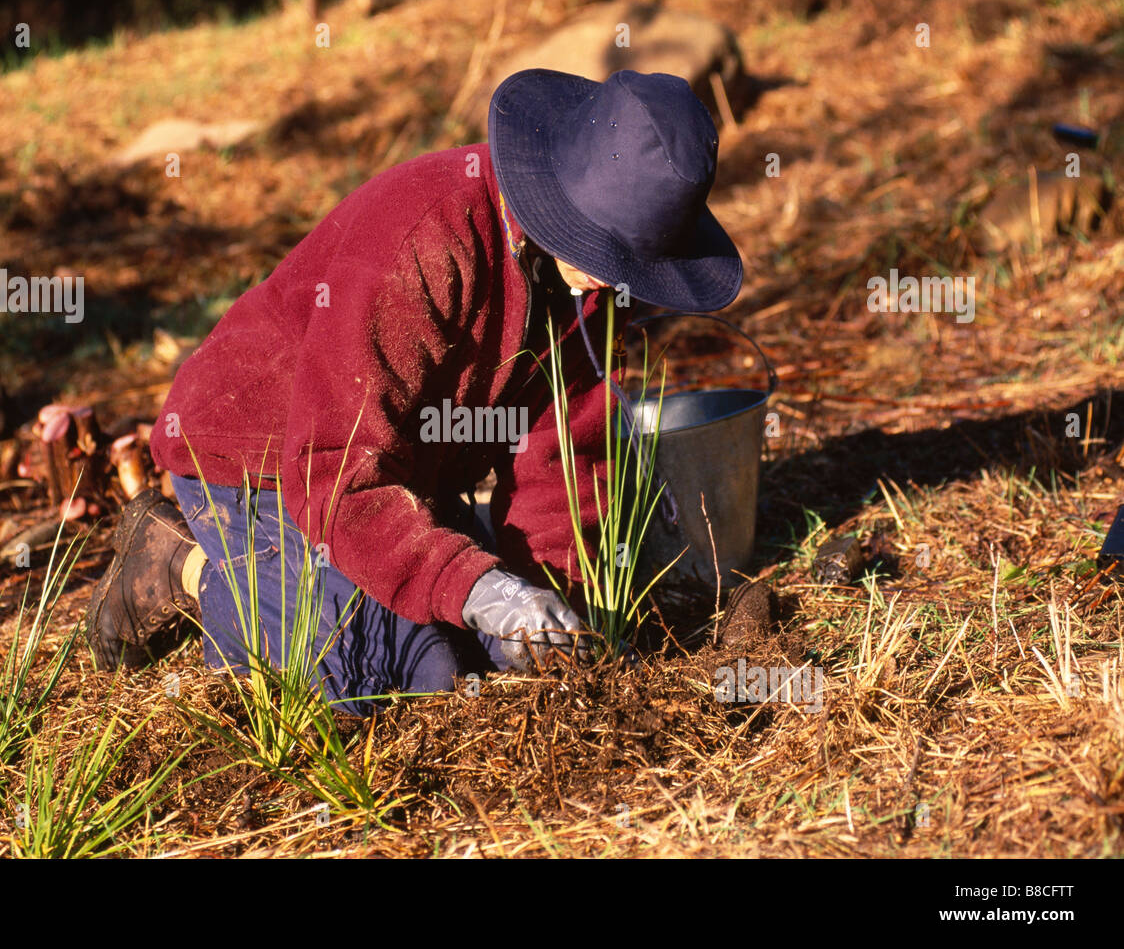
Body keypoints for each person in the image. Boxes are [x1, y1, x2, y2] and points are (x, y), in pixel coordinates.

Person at [85, 68, 742, 715]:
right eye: (596, 248)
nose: (605, 277)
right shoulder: (425, 233)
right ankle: (180, 564)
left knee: (469, 656)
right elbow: (333, 470)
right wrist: (479, 587)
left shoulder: (591, 283)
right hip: (265, 460)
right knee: (377, 670)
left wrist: (551, 613)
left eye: (623, 261)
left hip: (397, 471)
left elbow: (564, 452)